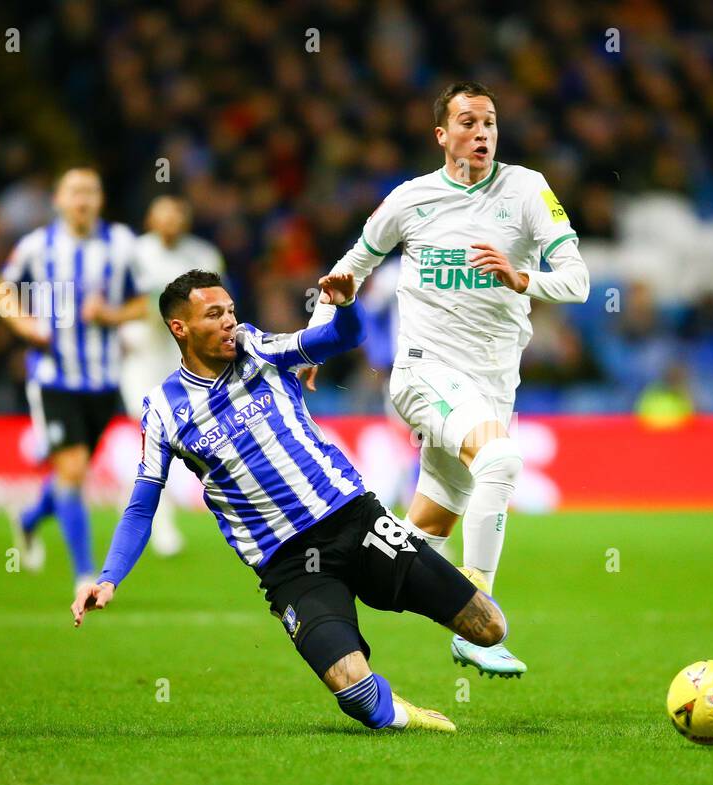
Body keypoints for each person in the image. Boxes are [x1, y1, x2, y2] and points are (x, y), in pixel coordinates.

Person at [72, 270, 510, 733]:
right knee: (357, 696)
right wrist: (109, 578)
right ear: (180, 328)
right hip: (290, 565)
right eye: (214, 314)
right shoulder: (163, 409)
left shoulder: (258, 349)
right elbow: (143, 505)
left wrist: (345, 304)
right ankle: (404, 712)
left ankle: (442, 574)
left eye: (231, 311)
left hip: (354, 522)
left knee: (489, 628)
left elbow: (344, 336)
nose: (229, 322)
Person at [306, 81, 590, 677]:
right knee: (500, 462)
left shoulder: (528, 189)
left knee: (427, 529)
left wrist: (522, 279)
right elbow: (350, 268)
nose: (481, 132)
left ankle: (334, 586)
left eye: (489, 122)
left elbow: (578, 281)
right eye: (467, 122)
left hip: (492, 385)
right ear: (442, 135)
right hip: (423, 372)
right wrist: (314, 340)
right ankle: (477, 617)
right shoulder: (411, 200)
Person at [0, 168, 148, 591]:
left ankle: (28, 518)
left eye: (90, 192)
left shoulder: (122, 243)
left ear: (100, 199)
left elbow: (143, 303)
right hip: (52, 376)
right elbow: (3, 291)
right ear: (58, 200)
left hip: (103, 380)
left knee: (73, 472)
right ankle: (85, 574)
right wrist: (26, 326)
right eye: (74, 192)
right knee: (73, 467)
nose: (82, 200)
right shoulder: (36, 245)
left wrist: (111, 315)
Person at [122, 196, 226, 556]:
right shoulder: (132, 253)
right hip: (140, 357)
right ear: (151, 217)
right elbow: (113, 302)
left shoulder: (204, 256)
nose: (170, 220)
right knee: (154, 437)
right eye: (163, 212)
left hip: (183, 361)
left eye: (177, 213)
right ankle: (161, 525)